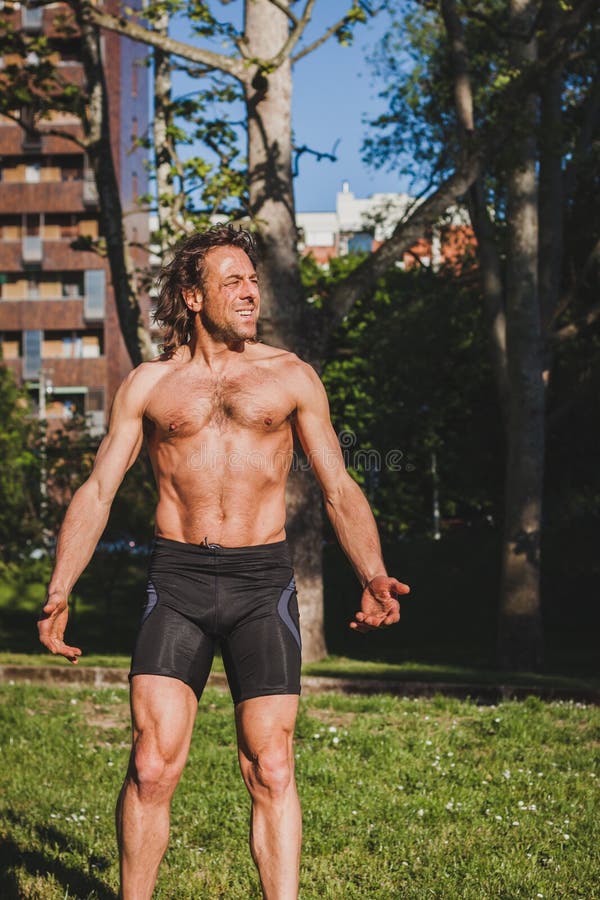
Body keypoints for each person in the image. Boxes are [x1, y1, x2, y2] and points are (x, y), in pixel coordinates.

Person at [38, 224, 409, 900]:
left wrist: (372, 573)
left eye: (252, 279)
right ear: (192, 294)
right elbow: (98, 489)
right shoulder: (151, 385)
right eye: (231, 280)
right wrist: (60, 586)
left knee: (270, 766)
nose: (249, 291)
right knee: (152, 765)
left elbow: (338, 487)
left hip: (260, 583)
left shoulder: (291, 376)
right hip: (177, 582)